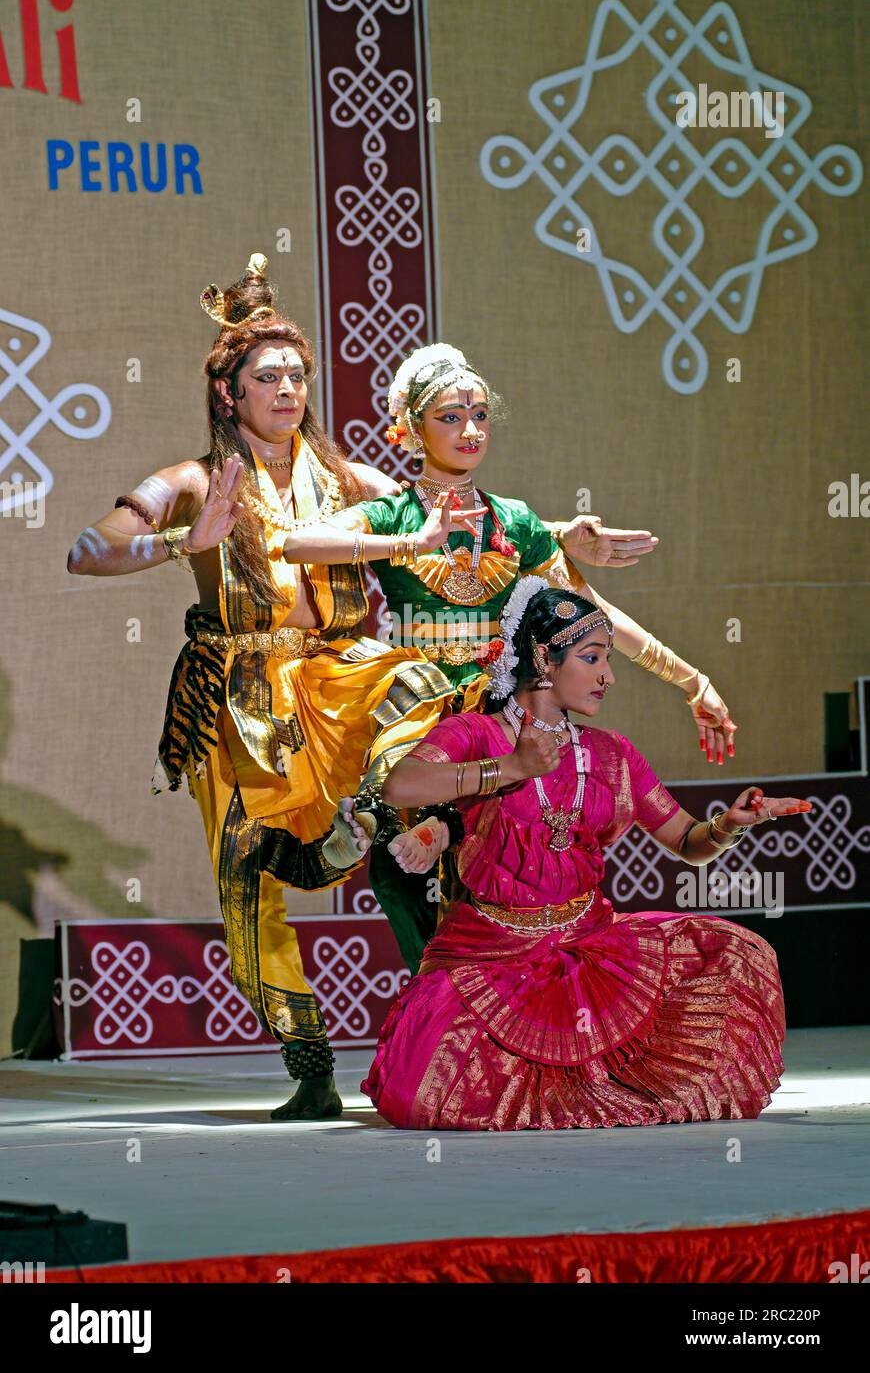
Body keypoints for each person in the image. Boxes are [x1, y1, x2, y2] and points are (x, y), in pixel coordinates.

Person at [66, 254, 482, 1120]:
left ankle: (379, 827)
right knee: (249, 878)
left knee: (414, 680)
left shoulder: (353, 482)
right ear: (230, 393)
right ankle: (311, 1063)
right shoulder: (189, 481)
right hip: (239, 697)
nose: (289, 388)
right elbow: (86, 550)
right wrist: (183, 542)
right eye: (269, 376)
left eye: (298, 374)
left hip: (335, 673)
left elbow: (477, 524)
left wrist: (563, 536)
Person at [259, 342, 738, 970]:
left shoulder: (516, 521)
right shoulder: (393, 513)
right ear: (410, 429)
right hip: (419, 719)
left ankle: (509, 1026)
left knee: (503, 877)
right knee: (400, 872)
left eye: (480, 415)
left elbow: (593, 613)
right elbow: (292, 543)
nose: (470, 430)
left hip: (502, 717)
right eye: (450, 418)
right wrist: (408, 542)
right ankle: (439, 1010)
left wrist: (691, 679)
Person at [359, 582, 809, 1131]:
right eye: (592, 659)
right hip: (490, 954)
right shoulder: (474, 733)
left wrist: (730, 825)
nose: (608, 677)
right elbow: (401, 785)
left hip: (588, 946)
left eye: (609, 661)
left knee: (737, 954)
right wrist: (509, 770)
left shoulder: (610, 753)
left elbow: (688, 841)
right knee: (421, 1094)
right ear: (545, 658)